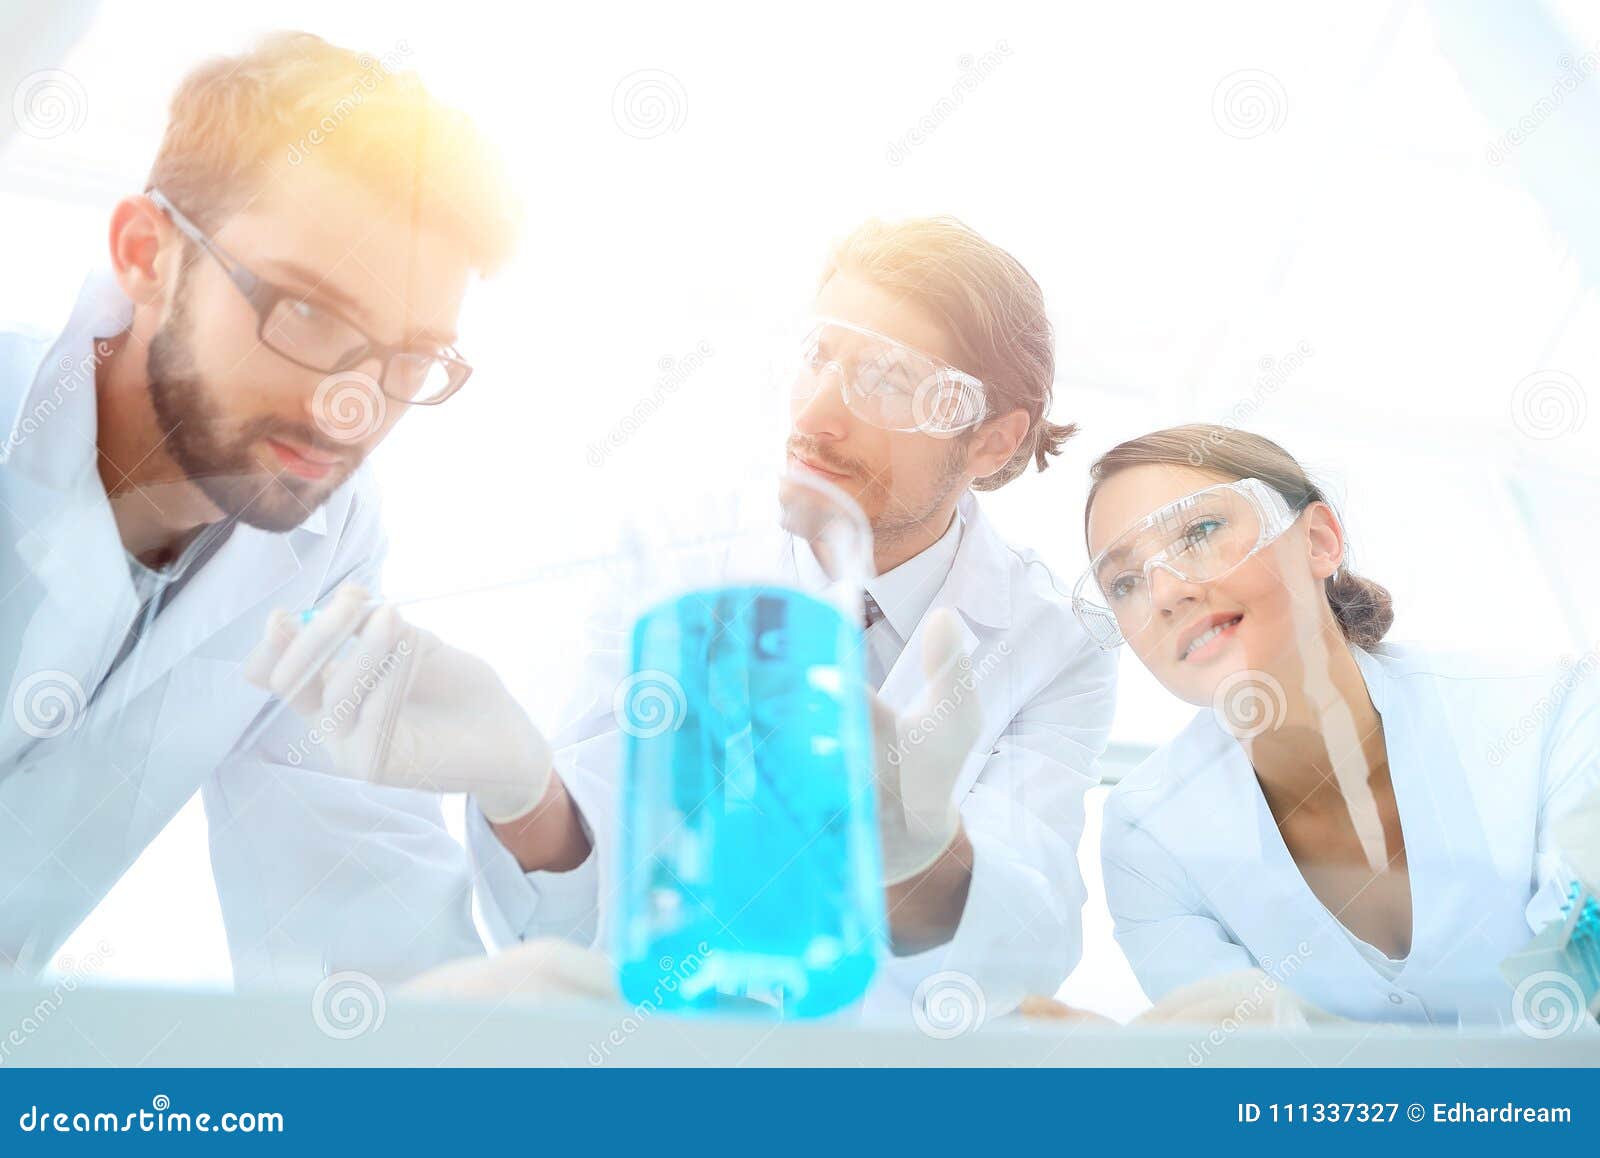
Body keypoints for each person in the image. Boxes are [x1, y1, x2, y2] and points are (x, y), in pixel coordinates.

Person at [250, 218, 1120, 1022]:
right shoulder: (676, 554)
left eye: (888, 380)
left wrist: (920, 857)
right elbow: (579, 915)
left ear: (995, 441)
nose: (815, 413)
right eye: (818, 356)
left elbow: (1028, 943)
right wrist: (523, 789)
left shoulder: (1051, 645)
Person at [0, 32, 519, 985]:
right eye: (310, 314)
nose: (352, 406)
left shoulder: (327, 539)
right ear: (145, 252)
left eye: (409, 358)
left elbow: (355, 915)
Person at [1084, 424, 1599, 1023]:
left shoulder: (1546, 711)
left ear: (1319, 541)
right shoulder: (1147, 834)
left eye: (1200, 531)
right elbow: (1249, 1086)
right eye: (1124, 582)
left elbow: (1579, 999)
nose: (1165, 592)